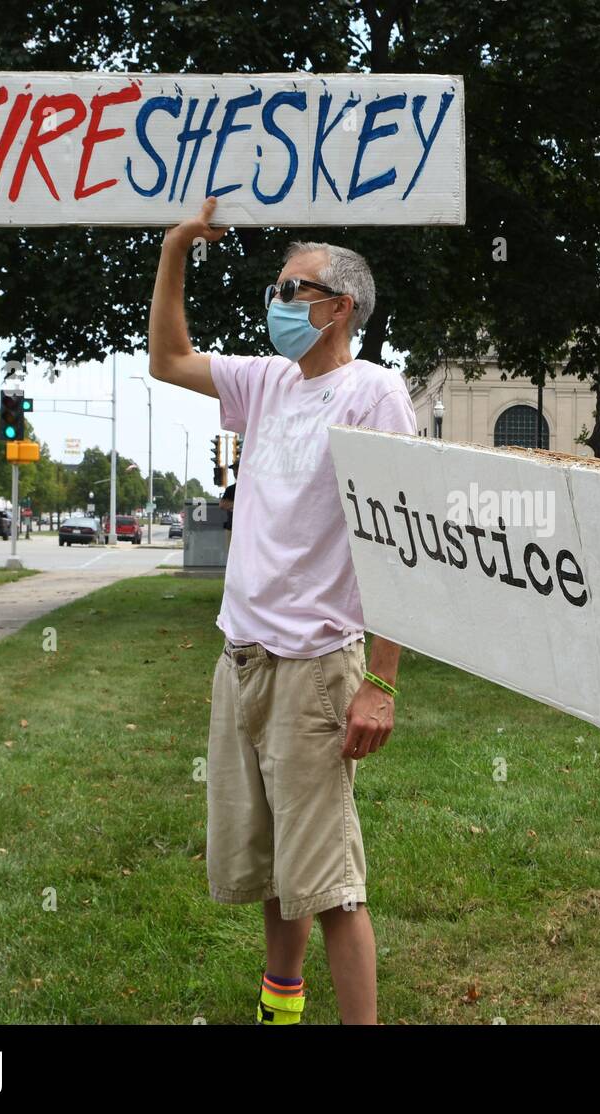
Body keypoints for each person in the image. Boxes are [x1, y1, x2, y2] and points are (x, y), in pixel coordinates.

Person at [149, 197, 416, 1025]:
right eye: (277, 286)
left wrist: (381, 682)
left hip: (316, 668)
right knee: (273, 865)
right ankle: (281, 1005)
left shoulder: (375, 394)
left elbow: (400, 547)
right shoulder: (263, 383)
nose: (276, 302)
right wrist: (174, 249)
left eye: (294, 289)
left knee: (330, 880)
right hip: (244, 659)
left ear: (341, 308)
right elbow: (168, 358)